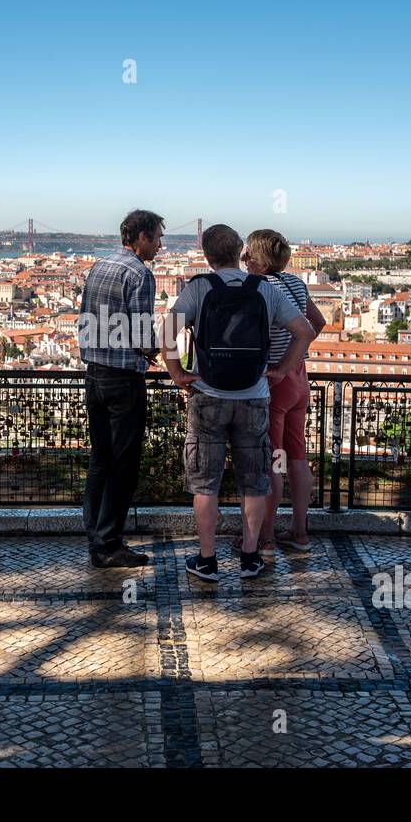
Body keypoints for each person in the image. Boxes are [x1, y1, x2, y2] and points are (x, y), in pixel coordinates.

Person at [162, 224, 316, 581]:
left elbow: (167, 331)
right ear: (239, 253)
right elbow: (306, 332)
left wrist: (177, 373)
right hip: (256, 397)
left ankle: (207, 560)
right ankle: (250, 558)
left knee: (205, 483)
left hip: (208, 396)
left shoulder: (199, 287)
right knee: (255, 481)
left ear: (207, 256)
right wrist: (281, 370)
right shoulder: (264, 289)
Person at [78, 209, 164, 568]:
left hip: (94, 375)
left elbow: (85, 319)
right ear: (141, 237)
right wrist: (157, 352)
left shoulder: (98, 267)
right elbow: (143, 334)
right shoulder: (140, 274)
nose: (160, 245)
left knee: (100, 458)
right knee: (124, 463)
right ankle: (109, 543)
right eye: (157, 237)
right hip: (124, 380)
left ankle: (95, 534)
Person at [241, 229, 326, 555]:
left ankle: (266, 539)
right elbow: (316, 323)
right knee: (298, 458)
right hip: (299, 379)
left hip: (275, 382)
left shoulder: (260, 288)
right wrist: (295, 358)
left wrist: (277, 365)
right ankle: (300, 533)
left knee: (273, 462)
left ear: (261, 262)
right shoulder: (296, 283)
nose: (244, 260)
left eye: (248, 255)